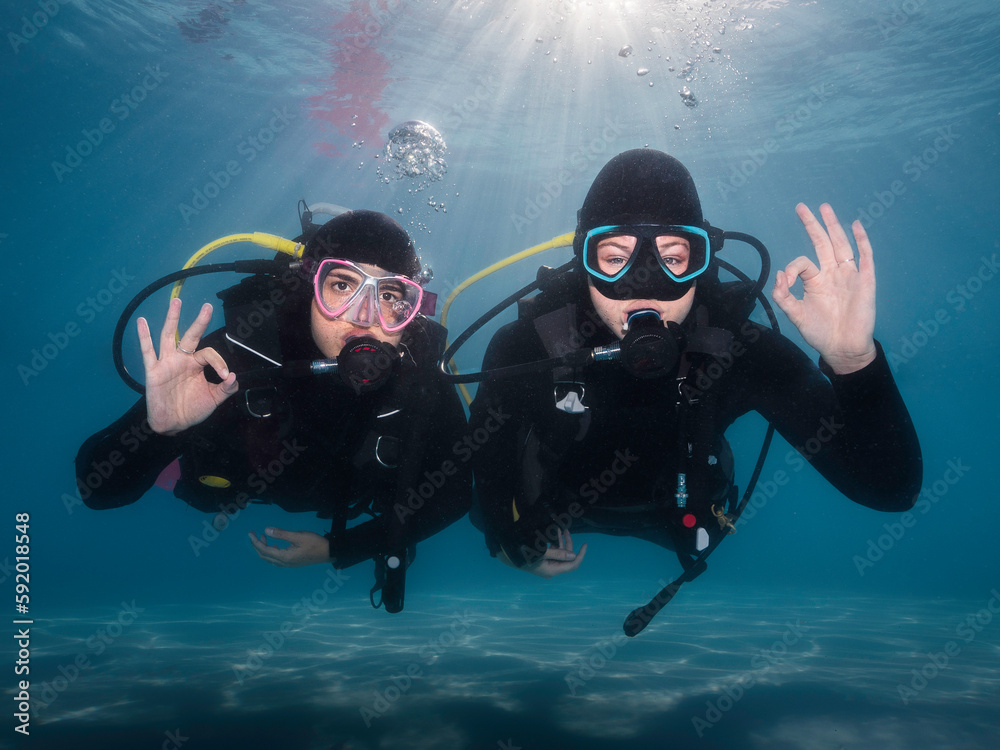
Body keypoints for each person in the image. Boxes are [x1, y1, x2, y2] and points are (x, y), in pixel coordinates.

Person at [467, 148, 922, 597]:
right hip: (556, 509)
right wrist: (505, 545)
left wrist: (853, 365)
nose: (644, 286)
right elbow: (487, 472)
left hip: (680, 519)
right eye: (614, 258)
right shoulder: (527, 348)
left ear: (700, 259)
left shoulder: (737, 349)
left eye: (672, 258)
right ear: (584, 259)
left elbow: (888, 488)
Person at [76, 210, 472, 610]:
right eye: (342, 285)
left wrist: (340, 548)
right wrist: (158, 432)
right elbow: (97, 490)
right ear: (309, 287)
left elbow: (455, 495)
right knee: (199, 488)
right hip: (235, 484)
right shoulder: (239, 353)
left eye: (389, 295)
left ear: (411, 311)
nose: (364, 316)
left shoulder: (421, 379)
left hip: (340, 498)